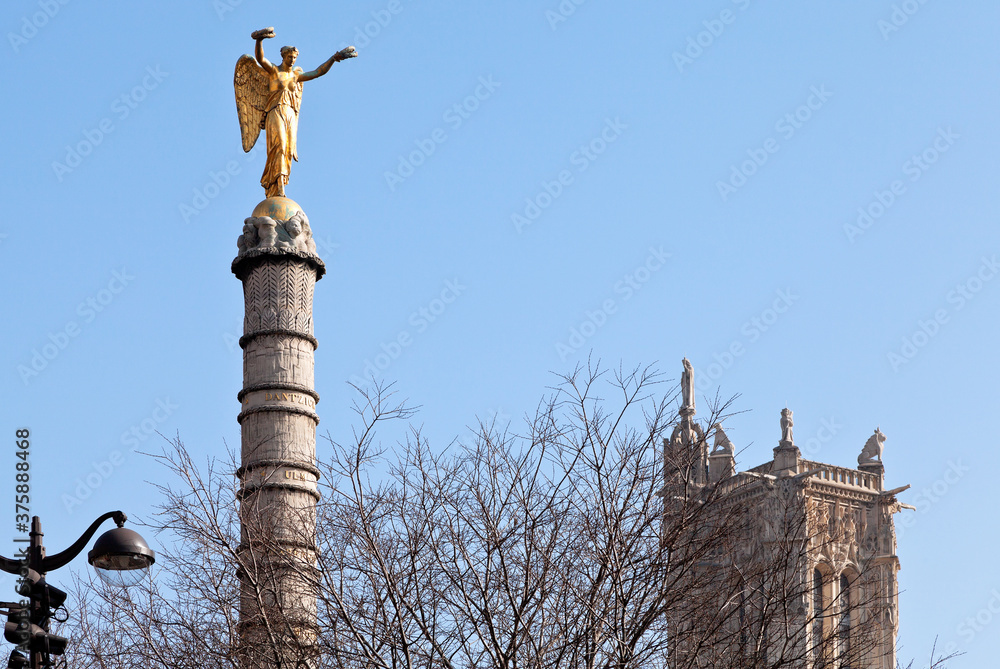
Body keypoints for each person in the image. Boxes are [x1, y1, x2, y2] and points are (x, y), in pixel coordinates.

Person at [252, 31, 355, 197]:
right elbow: (260, 58)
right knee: (279, 145)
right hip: (275, 110)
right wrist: (259, 40)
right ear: (283, 57)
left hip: (290, 114)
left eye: (294, 58)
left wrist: (334, 58)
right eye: (289, 57)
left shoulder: (296, 76)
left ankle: (282, 184)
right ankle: (276, 185)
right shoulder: (274, 71)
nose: (292, 60)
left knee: (288, 149)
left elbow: (318, 72)